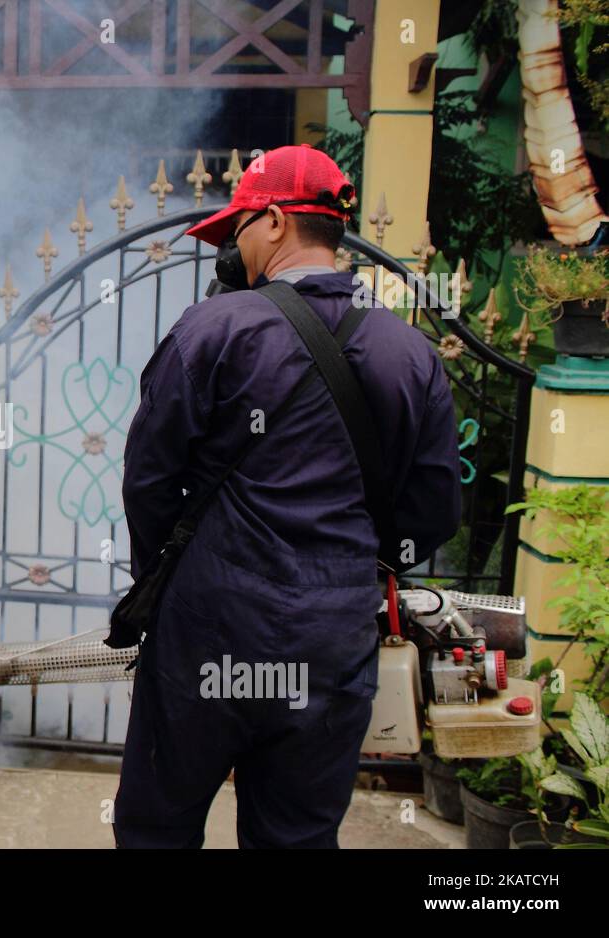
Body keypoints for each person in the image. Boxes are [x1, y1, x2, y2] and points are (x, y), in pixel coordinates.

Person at [113, 144, 461, 848]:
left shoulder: (212, 330)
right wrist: (361, 568)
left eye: (236, 228)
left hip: (206, 635)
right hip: (331, 644)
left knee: (157, 830)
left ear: (273, 221)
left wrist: (164, 580)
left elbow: (149, 480)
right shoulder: (410, 353)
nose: (231, 248)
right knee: (297, 839)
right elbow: (434, 511)